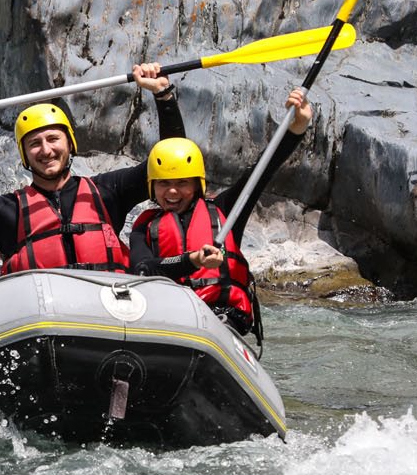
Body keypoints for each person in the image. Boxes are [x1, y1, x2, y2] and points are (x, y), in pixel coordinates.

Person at [0, 63, 182, 273]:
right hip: (47, 320)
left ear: (70, 143)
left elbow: (171, 161)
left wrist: (162, 94)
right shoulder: (6, 212)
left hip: (108, 308)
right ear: (25, 155)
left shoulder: (107, 191)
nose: (46, 150)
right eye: (34, 144)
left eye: (53, 139)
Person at [128, 87, 313, 337]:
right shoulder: (144, 227)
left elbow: (261, 171)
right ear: (152, 186)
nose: (172, 192)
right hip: (171, 322)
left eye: (182, 183)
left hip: (223, 319)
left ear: (197, 184)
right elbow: (142, 270)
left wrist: (296, 128)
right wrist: (192, 260)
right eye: (164, 183)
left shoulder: (225, 210)